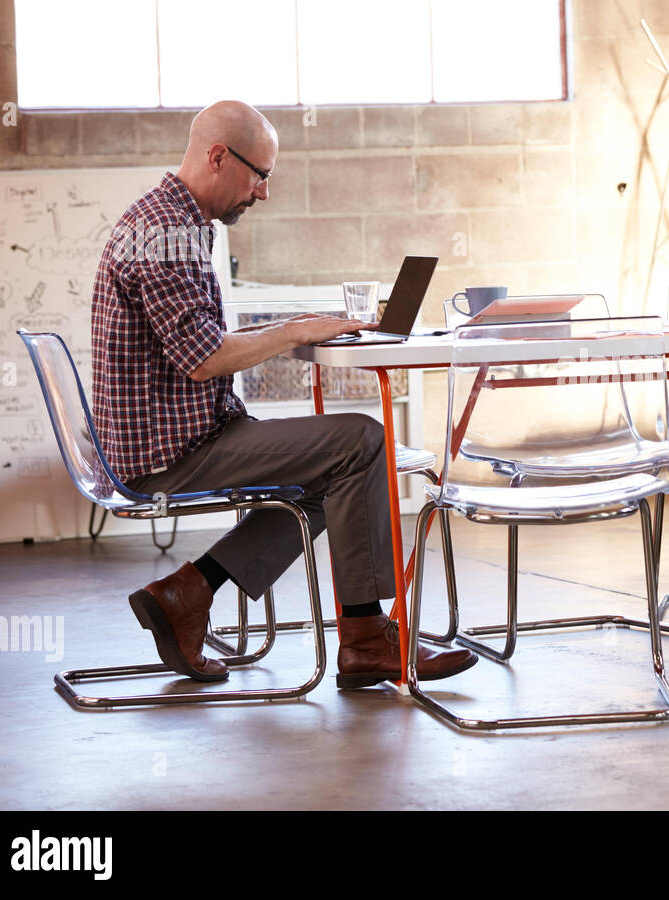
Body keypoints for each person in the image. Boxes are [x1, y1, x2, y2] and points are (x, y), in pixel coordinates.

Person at [90, 100, 476, 688]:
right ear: (219, 156)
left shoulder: (176, 220)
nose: (264, 193)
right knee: (361, 442)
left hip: (190, 435)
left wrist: (293, 323)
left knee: (335, 470)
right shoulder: (164, 235)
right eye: (259, 175)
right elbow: (203, 360)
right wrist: (293, 331)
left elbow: (199, 339)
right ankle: (367, 638)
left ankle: (189, 592)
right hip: (170, 455)